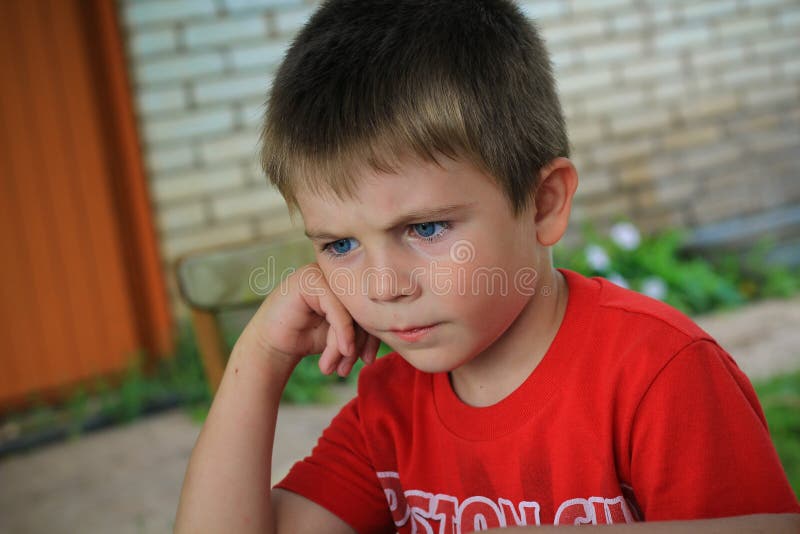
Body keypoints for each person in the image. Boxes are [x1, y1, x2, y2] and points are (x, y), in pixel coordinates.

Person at [174, 1, 800, 532]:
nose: (383, 286)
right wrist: (260, 357)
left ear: (542, 204)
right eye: (339, 245)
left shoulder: (657, 376)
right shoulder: (388, 414)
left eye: (424, 228)